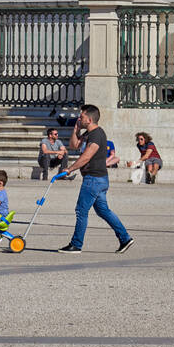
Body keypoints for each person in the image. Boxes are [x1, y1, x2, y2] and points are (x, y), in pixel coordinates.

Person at [58, 104, 133, 254]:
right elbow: (73, 145)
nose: (79, 118)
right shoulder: (87, 134)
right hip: (97, 179)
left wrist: (70, 169)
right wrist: (76, 129)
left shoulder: (97, 134)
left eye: (82, 116)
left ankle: (76, 244)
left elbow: (86, 156)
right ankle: (125, 238)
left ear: (90, 119)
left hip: (94, 179)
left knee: (81, 211)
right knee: (103, 211)